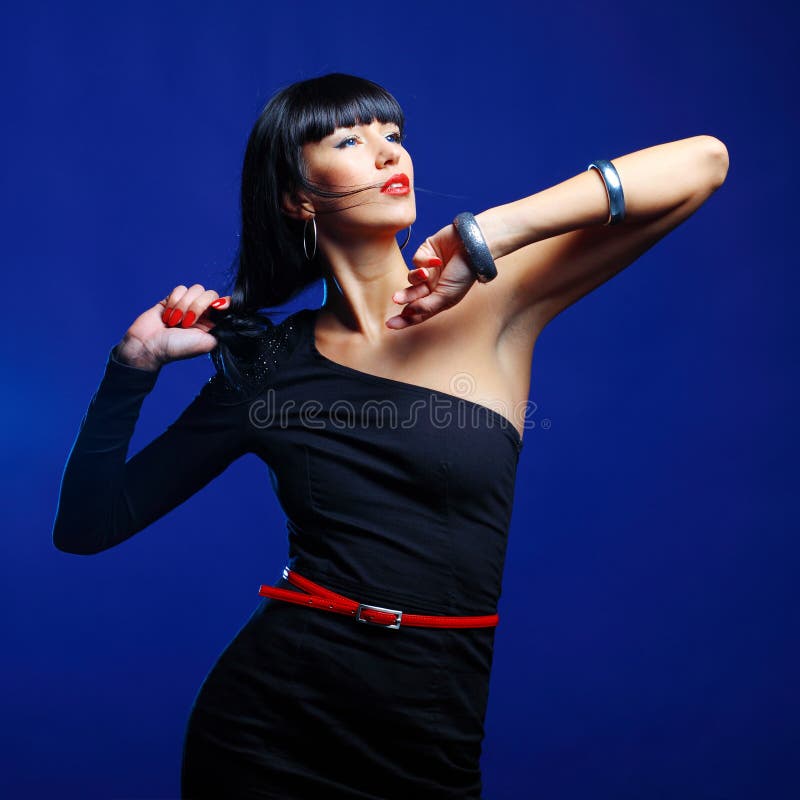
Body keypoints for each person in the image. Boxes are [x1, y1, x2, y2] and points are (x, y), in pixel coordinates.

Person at [51, 73, 729, 799]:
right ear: (297, 197)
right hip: (269, 730)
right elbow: (91, 525)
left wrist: (491, 233)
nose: (388, 154)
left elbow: (703, 163)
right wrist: (132, 367)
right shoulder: (268, 368)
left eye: (394, 136)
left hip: (433, 728)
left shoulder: (494, 300)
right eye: (349, 140)